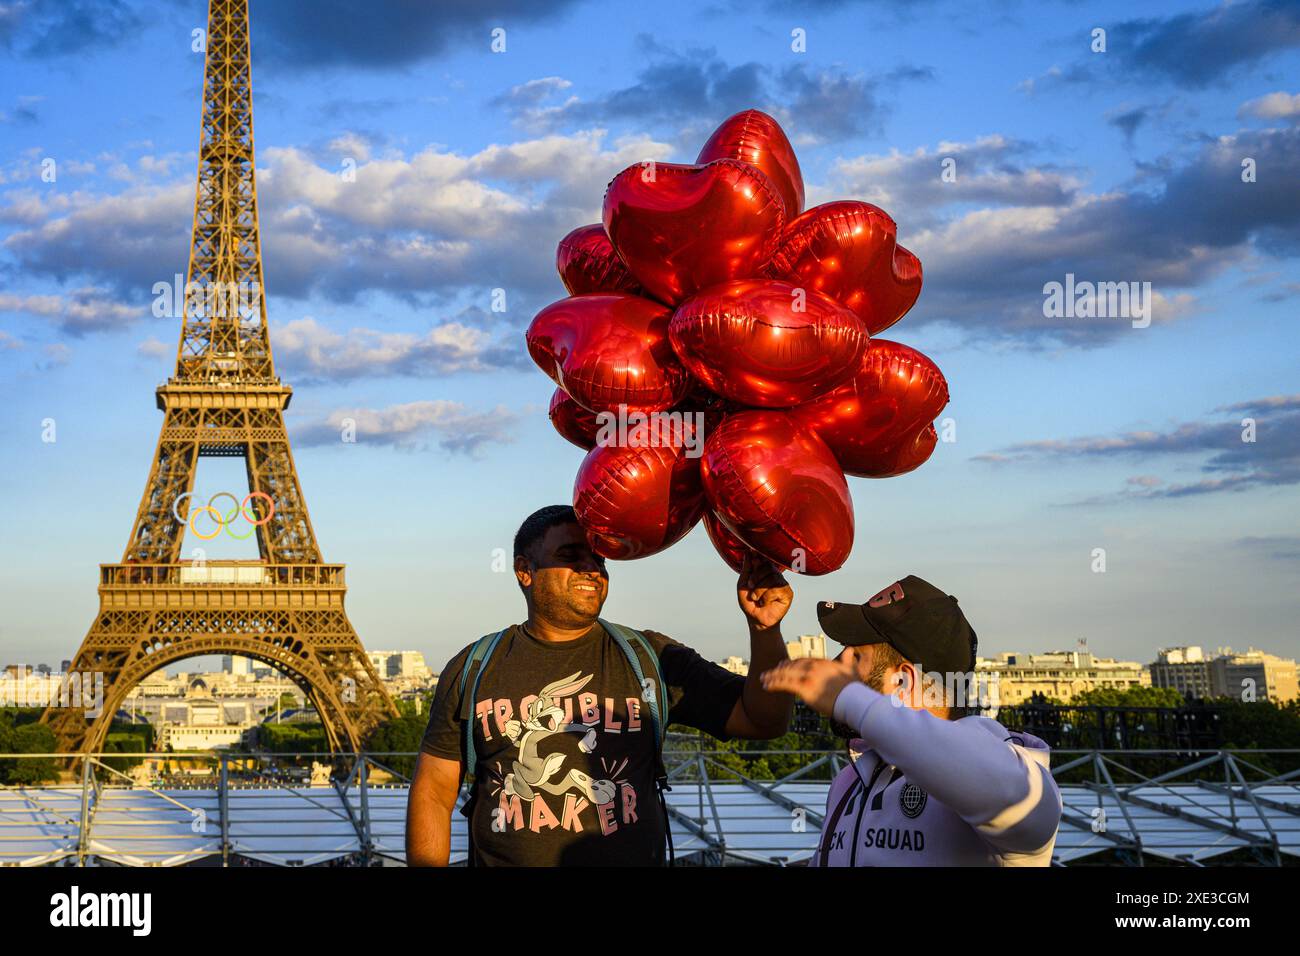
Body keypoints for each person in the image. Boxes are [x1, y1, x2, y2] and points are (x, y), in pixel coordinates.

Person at [406, 504, 794, 866]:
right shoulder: (474, 666)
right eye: (571, 556)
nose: (591, 568)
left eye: (599, 557)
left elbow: (764, 721)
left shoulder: (652, 656)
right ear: (525, 570)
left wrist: (765, 630)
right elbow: (434, 793)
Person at [761, 575, 1061, 866]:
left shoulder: (1012, 767)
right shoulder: (850, 782)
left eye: (854, 656)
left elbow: (1018, 796)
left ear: (903, 681)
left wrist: (848, 698)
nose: (835, 664)